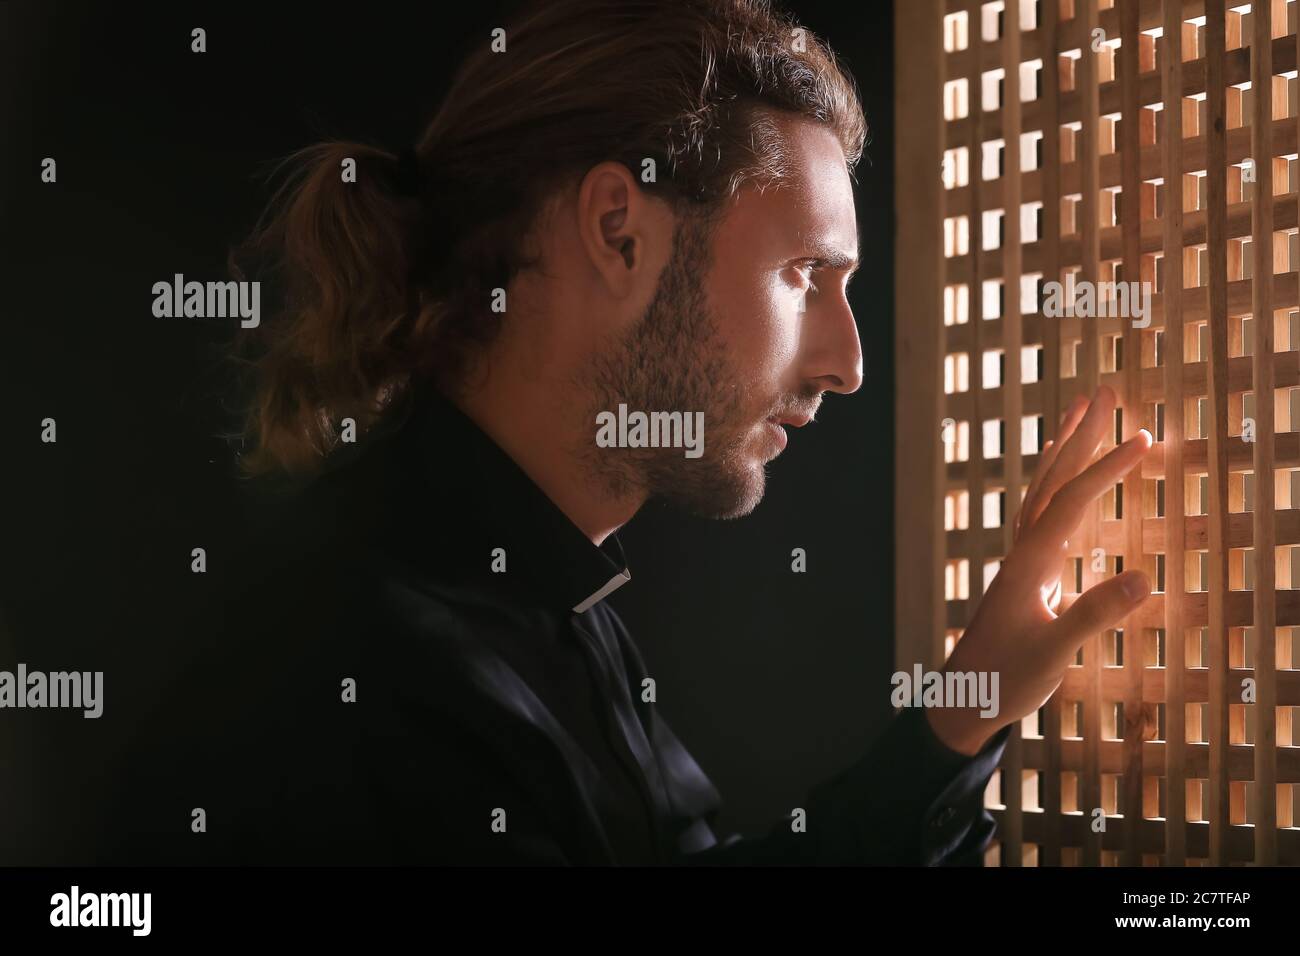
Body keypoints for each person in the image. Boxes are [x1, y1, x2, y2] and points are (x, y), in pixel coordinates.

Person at [101, 0, 1153, 865]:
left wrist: (959, 715)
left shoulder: (538, 591)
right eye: (803, 276)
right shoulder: (365, 676)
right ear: (619, 231)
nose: (847, 362)